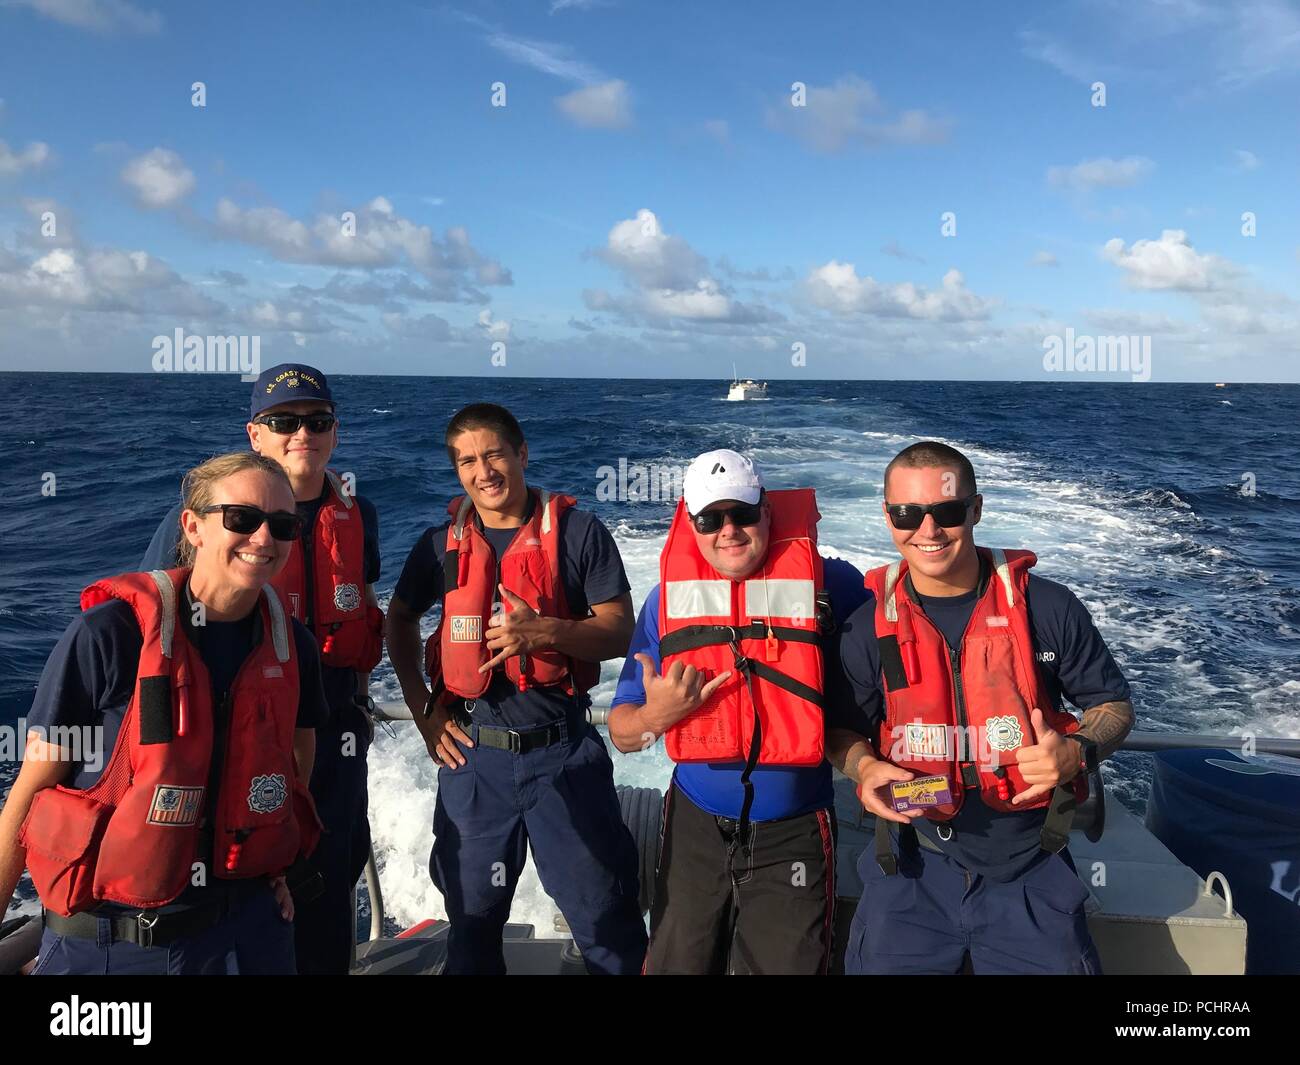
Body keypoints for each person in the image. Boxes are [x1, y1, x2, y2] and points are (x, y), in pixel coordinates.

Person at [0, 452, 329, 974]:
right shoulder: (108, 636)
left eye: (283, 525)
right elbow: (29, 794)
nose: (264, 539)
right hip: (115, 942)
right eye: (242, 519)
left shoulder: (295, 648)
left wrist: (277, 864)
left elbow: (296, 756)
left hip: (249, 934)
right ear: (193, 527)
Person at [829, 441, 1135, 975]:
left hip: (1032, 866)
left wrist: (1077, 752)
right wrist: (865, 765)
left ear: (975, 510)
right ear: (887, 517)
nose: (928, 531)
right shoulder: (864, 627)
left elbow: (1112, 706)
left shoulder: (1048, 608)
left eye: (947, 512)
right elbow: (840, 732)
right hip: (909, 865)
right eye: (908, 514)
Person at [386, 403, 647, 975]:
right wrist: (420, 708)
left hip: (564, 755)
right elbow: (400, 618)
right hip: (473, 761)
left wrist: (547, 631)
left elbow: (621, 631)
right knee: (472, 926)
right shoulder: (439, 545)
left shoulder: (580, 533)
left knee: (606, 921)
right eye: (467, 461)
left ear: (522, 454)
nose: (484, 471)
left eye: (495, 454)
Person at [140, 363, 383, 974]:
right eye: (285, 421)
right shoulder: (208, 517)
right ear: (256, 434)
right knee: (233, 888)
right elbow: (155, 625)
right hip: (238, 734)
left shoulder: (360, 516)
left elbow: (367, 609)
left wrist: (357, 702)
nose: (303, 433)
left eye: (318, 420)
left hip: (333, 728)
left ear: (335, 431)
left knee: (329, 875)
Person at [608, 449, 867, 974]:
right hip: (694, 827)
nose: (728, 530)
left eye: (742, 513)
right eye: (709, 518)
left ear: (767, 511)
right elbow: (621, 730)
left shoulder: (832, 586)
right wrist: (655, 717)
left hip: (794, 832)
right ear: (690, 521)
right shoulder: (664, 603)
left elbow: (910, 617)